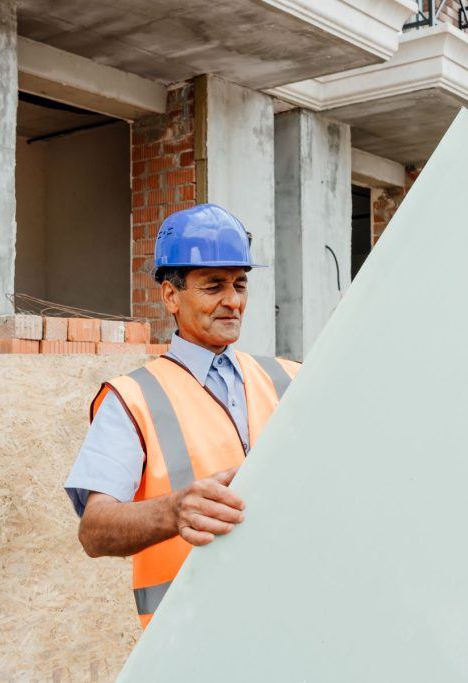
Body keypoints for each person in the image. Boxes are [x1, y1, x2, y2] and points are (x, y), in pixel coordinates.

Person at [64, 203, 299, 628]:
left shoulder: (289, 379)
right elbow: (94, 530)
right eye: (213, 286)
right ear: (171, 295)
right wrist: (173, 512)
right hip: (189, 640)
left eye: (240, 284)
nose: (233, 301)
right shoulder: (132, 398)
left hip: (292, 623)